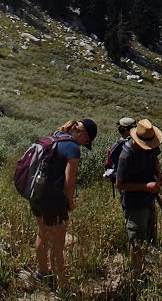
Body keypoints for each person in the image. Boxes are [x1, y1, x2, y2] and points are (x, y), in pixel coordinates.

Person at [31, 118, 96, 289]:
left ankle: (42, 273)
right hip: (53, 199)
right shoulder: (72, 148)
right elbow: (69, 182)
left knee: (42, 233)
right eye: (86, 141)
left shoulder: (54, 136)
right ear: (83, 134)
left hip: (36, 194)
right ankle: (62, 286)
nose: (83, 145)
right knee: (58, 243)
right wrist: (70, 202)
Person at [114, 119, 162, 276]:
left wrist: (159, 174)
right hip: (134, 202)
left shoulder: (149, 146)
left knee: (147, 233)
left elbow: (155, 158)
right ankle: (136, 272)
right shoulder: (126, 156)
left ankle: (142, 264)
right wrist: (145, 187)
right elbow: (120, 185)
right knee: (136, 238)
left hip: (148, 198)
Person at [101, 117, 135, 183]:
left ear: (124, 129)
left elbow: (110, 160)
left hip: (125, 180)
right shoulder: (141, 141)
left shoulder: (121, 145)